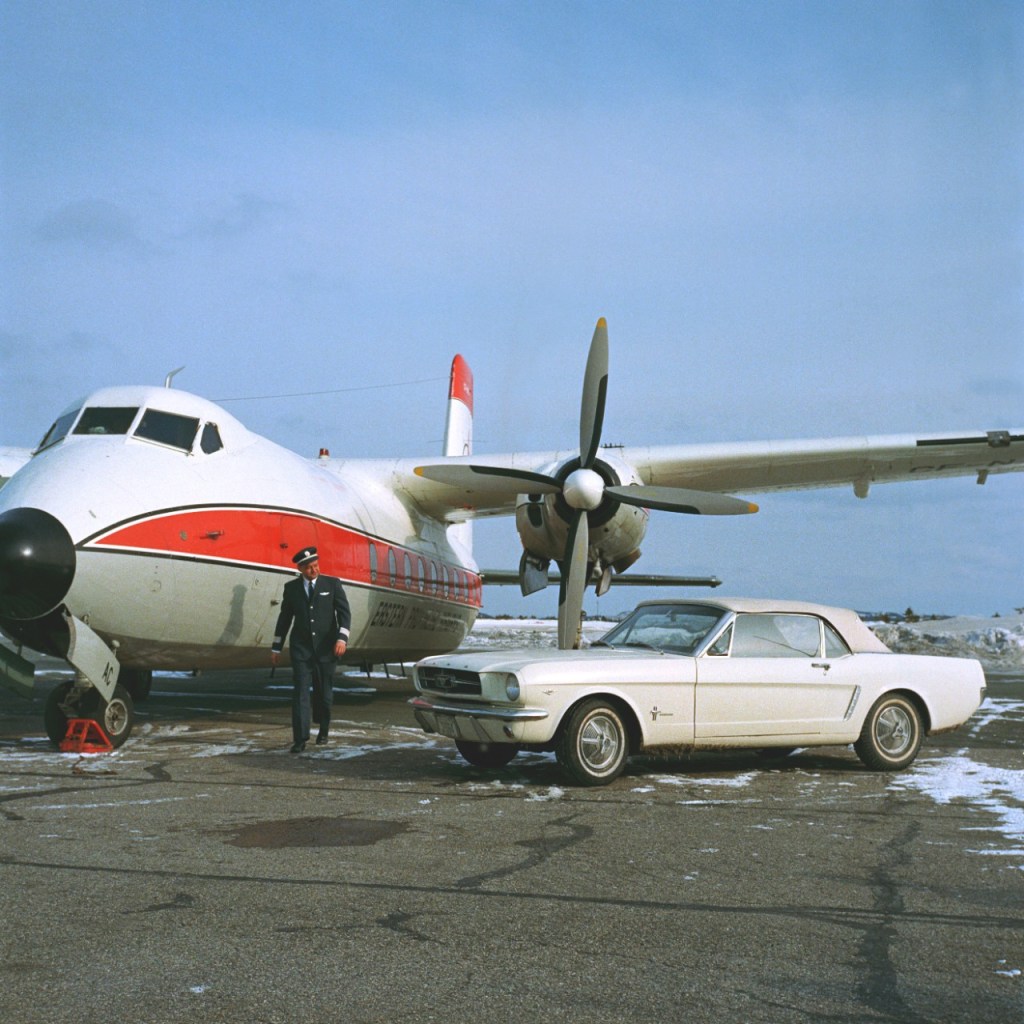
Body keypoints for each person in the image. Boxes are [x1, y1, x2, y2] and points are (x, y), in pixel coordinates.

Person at [271, 546, 351, 753]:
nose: (313, 570)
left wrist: (342, 639)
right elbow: (285, 618)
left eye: (315, 566)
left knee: (324, 696)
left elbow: (344, 614)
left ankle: (323, 729)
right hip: (301, 650)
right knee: (300, 695)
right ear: (300, 569)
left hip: (327, 649)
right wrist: (276, 647)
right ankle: (300, 739)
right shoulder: (292, 589)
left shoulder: (332, 584)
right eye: (308, 568)